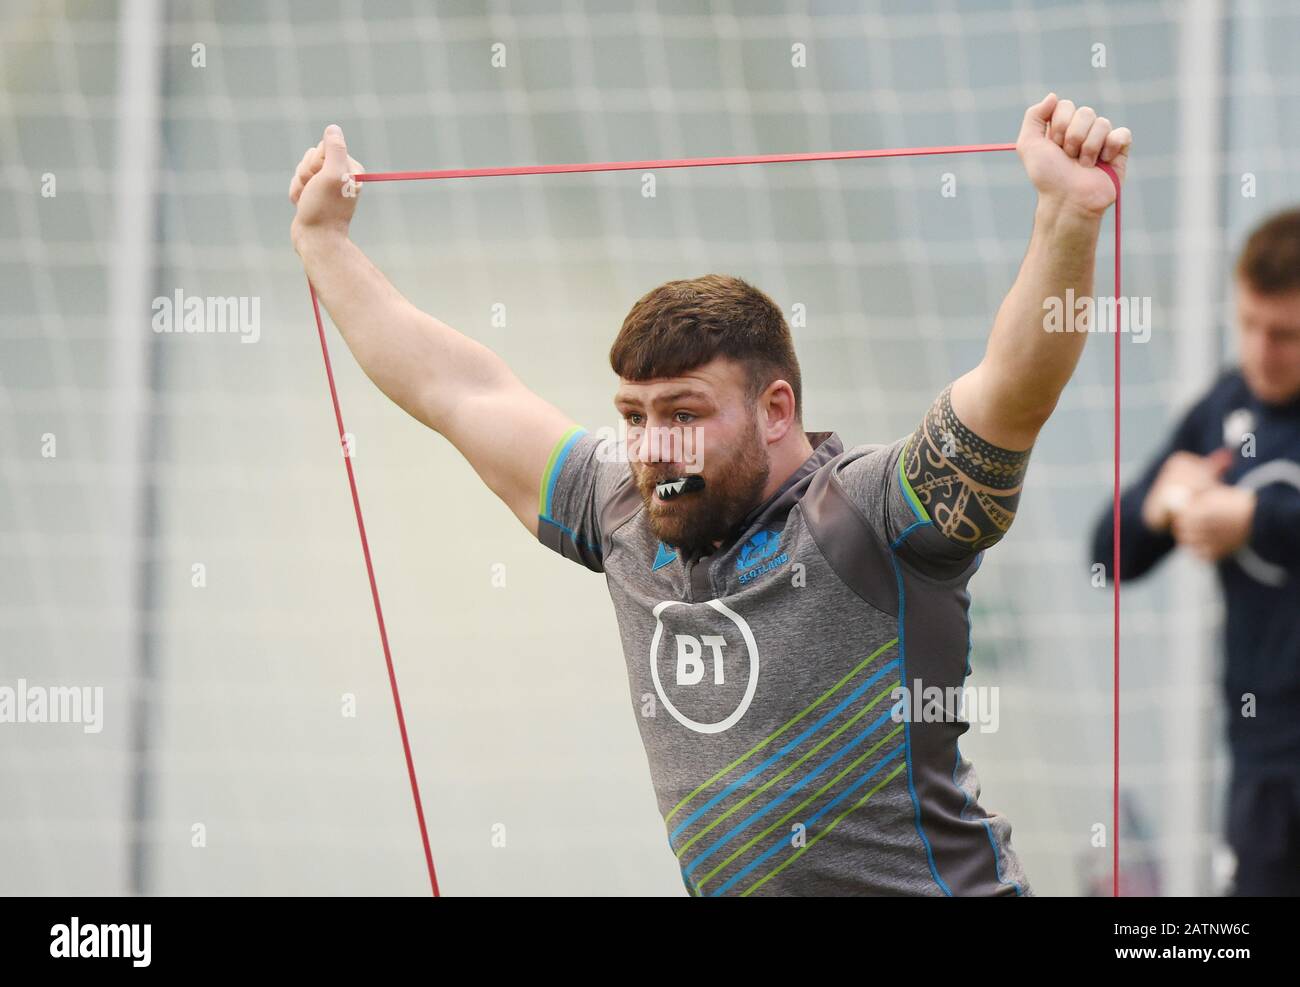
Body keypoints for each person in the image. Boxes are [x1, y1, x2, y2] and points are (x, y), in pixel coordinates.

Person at [290, 93, 1131, 896]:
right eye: (632, 415)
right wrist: (323, 242)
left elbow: (1013, 392)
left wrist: (1068, 215)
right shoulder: (619, 507)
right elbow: (458, 389)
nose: (652, 446)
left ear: (776, 410)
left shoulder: (869, 512)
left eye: (683, 414)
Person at [1091, 208, 1300, 897]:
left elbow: (1263, 519)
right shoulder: (1225, 406)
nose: (1261, 350)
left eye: (1285, 335)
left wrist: (1256, 518)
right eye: (1247, 326)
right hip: (1264, 750)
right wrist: (1156, 508)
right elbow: (1107, 552)